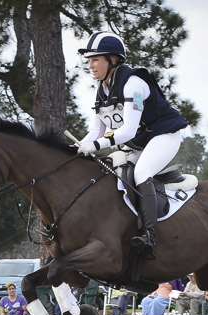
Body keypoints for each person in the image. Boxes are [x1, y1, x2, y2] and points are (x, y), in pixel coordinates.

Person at [76, 31, 188, 260]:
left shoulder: (133, 84)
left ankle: (149, 235)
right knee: (114, 173)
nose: (91, 65)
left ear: (113, 60)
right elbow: (95, 131)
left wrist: (95, 145)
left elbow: (126, 130)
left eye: (96, 59)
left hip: (164, 136)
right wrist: (77, 147)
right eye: (89, 60)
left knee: (142, 173)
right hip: (139, 144)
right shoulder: (102, 91)